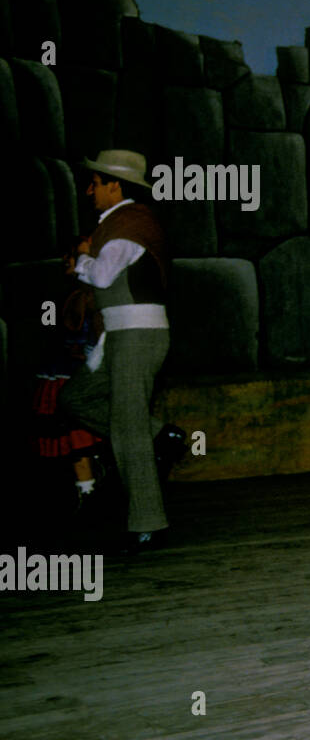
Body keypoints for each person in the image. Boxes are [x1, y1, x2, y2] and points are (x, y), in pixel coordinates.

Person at [59, 150, 176, 552]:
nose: (89, 189)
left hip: (137, 337)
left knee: (127, 433)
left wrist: (80, 261)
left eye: (96, 182)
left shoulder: (130, 222)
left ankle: (149, 524)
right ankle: (159, 435)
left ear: (116, 185)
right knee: (76, 398)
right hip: (122, 338)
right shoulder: (116, 224)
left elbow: (105, 274)